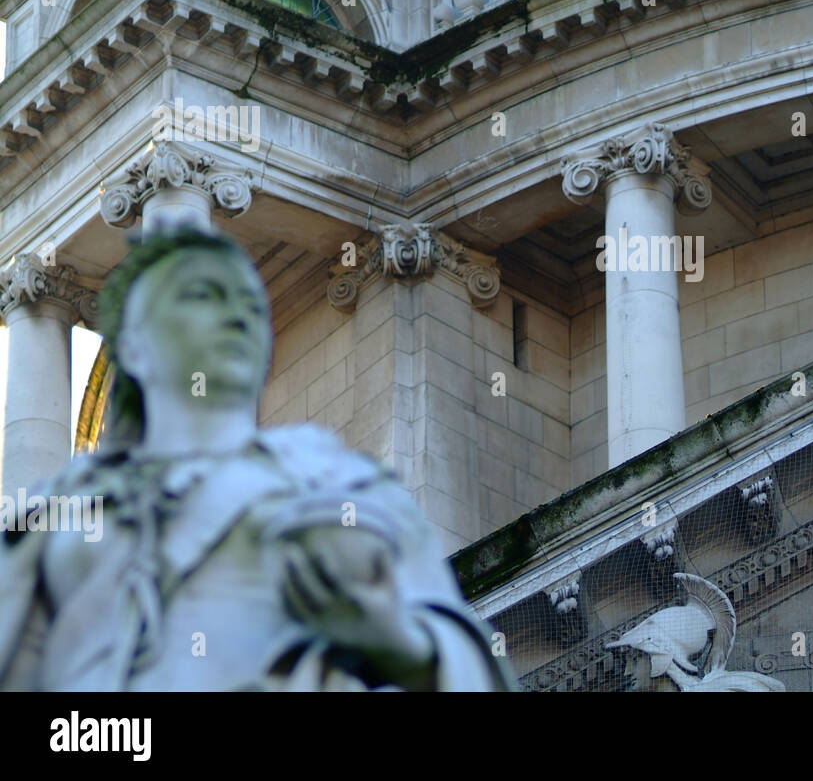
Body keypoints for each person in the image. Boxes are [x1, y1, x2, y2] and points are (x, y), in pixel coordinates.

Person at [0, 227, 514, 691]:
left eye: (249, 303)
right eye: (204, 296)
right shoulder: (55, 524)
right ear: (134, 346)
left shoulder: (338, 484)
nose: (236, 315)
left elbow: (473, 675)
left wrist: (398, 640)